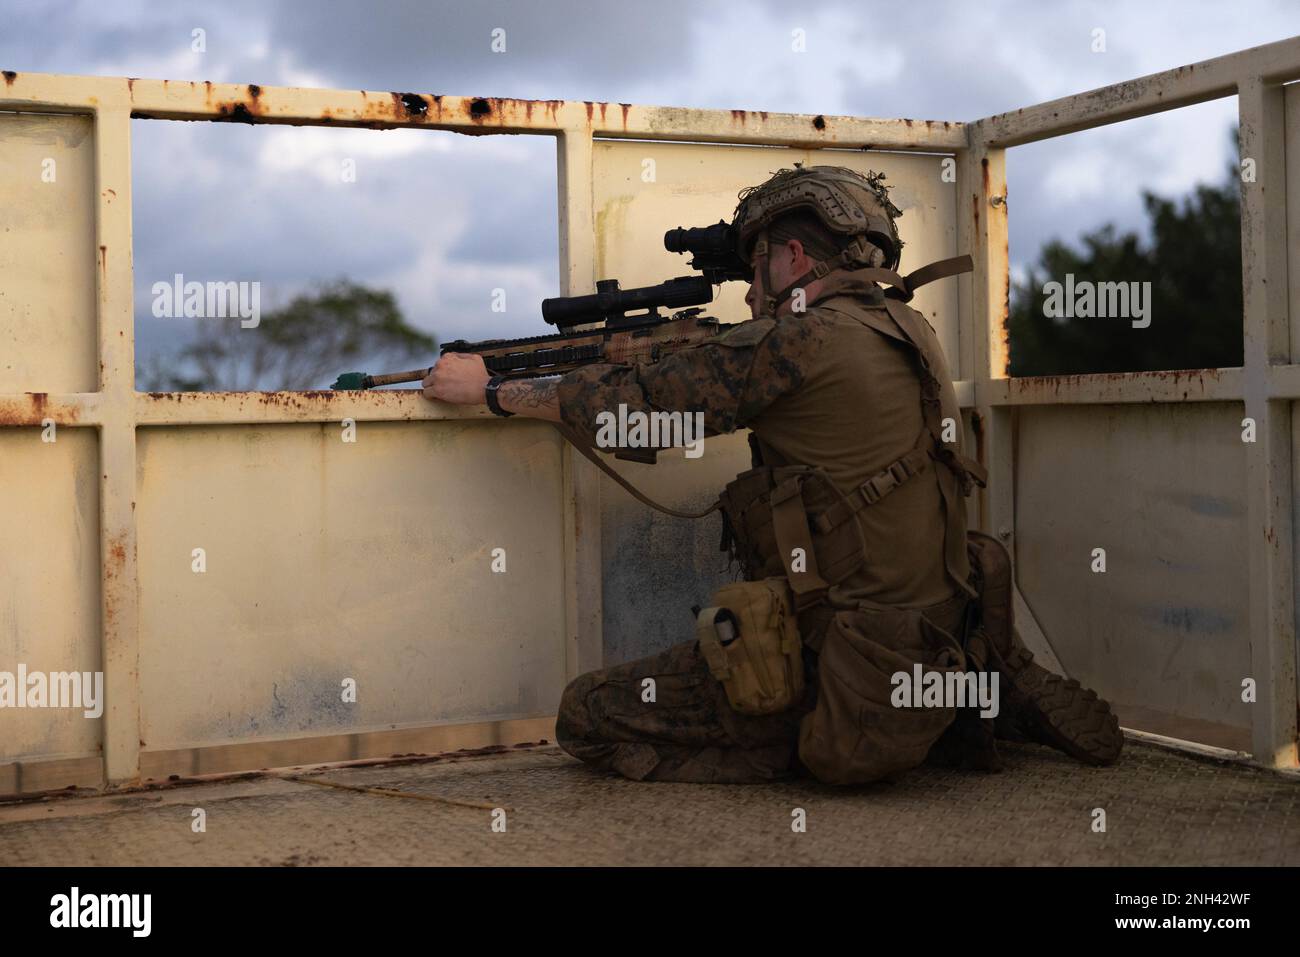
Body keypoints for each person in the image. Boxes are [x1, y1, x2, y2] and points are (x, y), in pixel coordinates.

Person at [423, 165, 1122, 784]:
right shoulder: (910, 327)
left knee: (587, 713)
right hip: (938, 625)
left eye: (756, 269)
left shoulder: (801, 338)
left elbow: (646, 407)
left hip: (853, 660)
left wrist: (491, 390)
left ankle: (817, 733)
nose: (751, 292)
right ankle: (977, 685)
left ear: (791, 257)